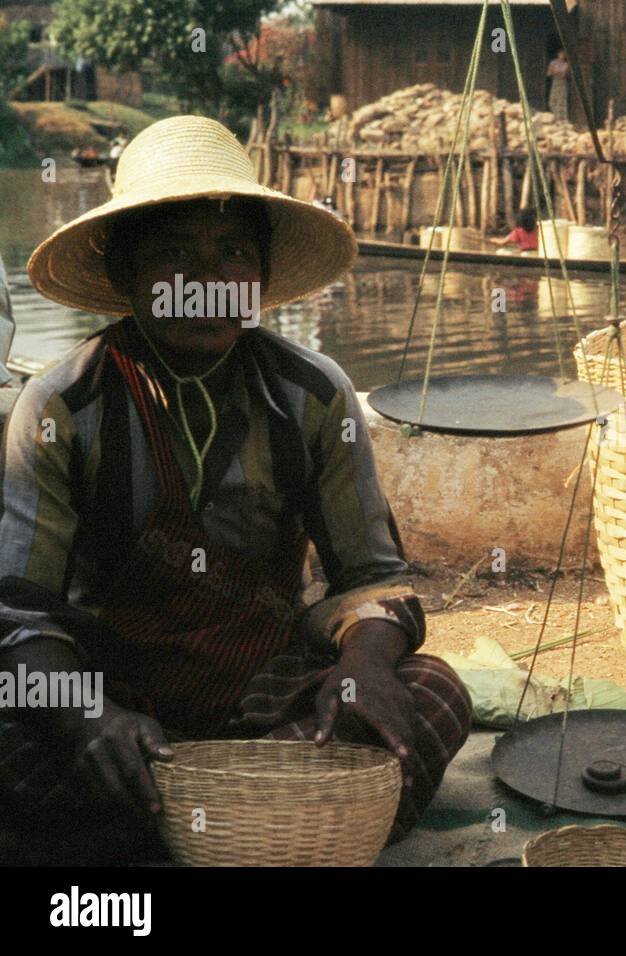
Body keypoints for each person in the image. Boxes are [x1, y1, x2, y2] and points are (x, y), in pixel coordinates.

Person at [1, 116, 473, 863]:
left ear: (259, 279)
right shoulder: (65, 405)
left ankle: (182, 825)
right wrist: (89, 719)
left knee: (434, 695)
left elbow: (372, 579)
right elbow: (19, 614)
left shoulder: (312, 394)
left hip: (261, 692)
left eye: (232, 255)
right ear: (126, 276)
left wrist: (362, 666)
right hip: (115, 699)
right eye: (173, 254)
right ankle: (261, 824)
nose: (205, 283)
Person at [547, 49, 570, 122]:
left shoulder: (566, 64)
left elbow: (564, 74)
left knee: (561, 101)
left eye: (563, 54)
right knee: (552, 101)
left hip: (562, 83)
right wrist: (557, 72)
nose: (562, 56)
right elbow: (549, 73)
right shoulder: (553, 63)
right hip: (555, 82)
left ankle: (561, 119)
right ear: (558, 54)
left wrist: (557, 71)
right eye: (560, 54)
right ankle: (554, 117)